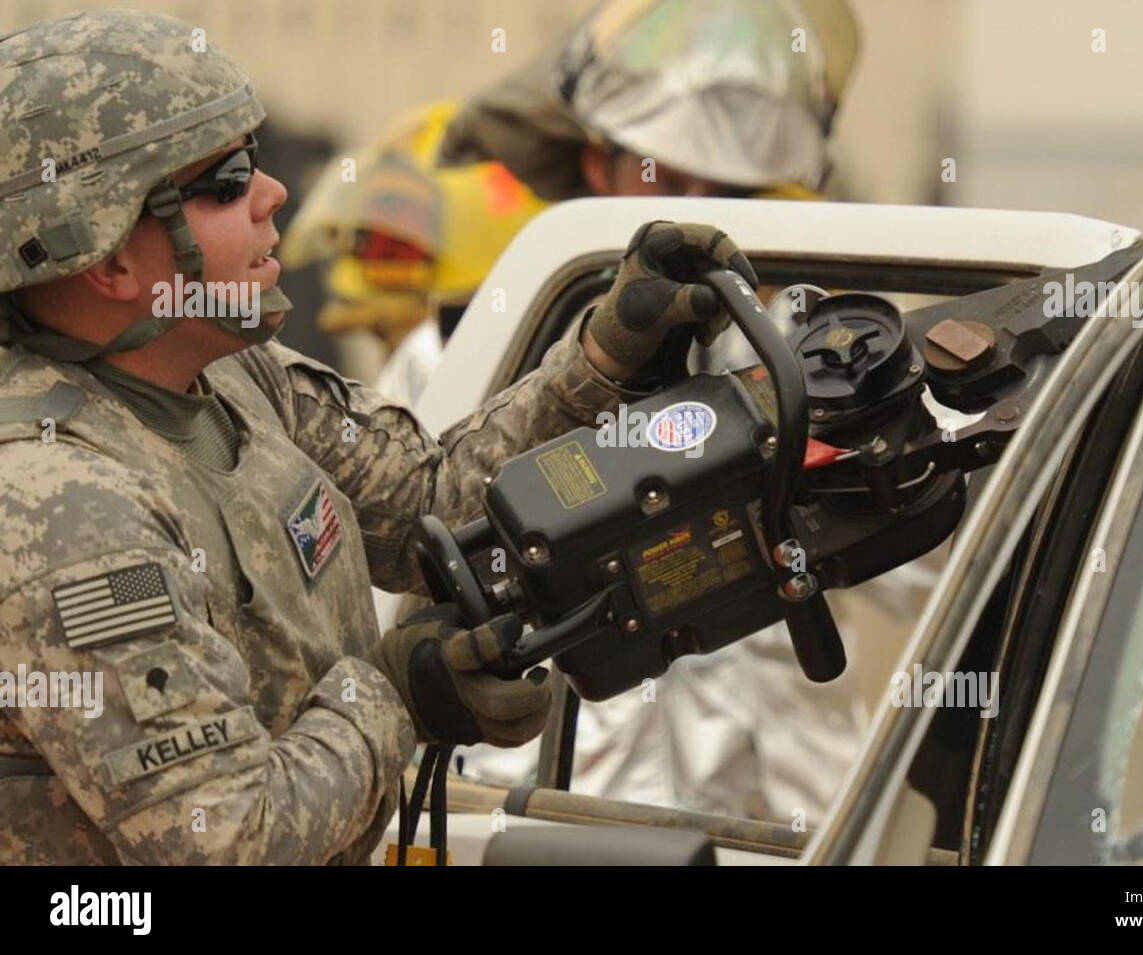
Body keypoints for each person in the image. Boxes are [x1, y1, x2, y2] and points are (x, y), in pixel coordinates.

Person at [0, 9, 755, 864]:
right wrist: (398, 694)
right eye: (224, 182)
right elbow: (232, 836)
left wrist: (603, 353)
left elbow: (438, 504)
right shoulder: (59, 503)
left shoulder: (238, 378)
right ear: (108, 258)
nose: (270, 193)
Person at [281, 0, 860, 381]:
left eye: (726, 190)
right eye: (668, 178)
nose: (698, 210)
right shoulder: (482, 341)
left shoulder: (786, 339)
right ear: (597, 165)